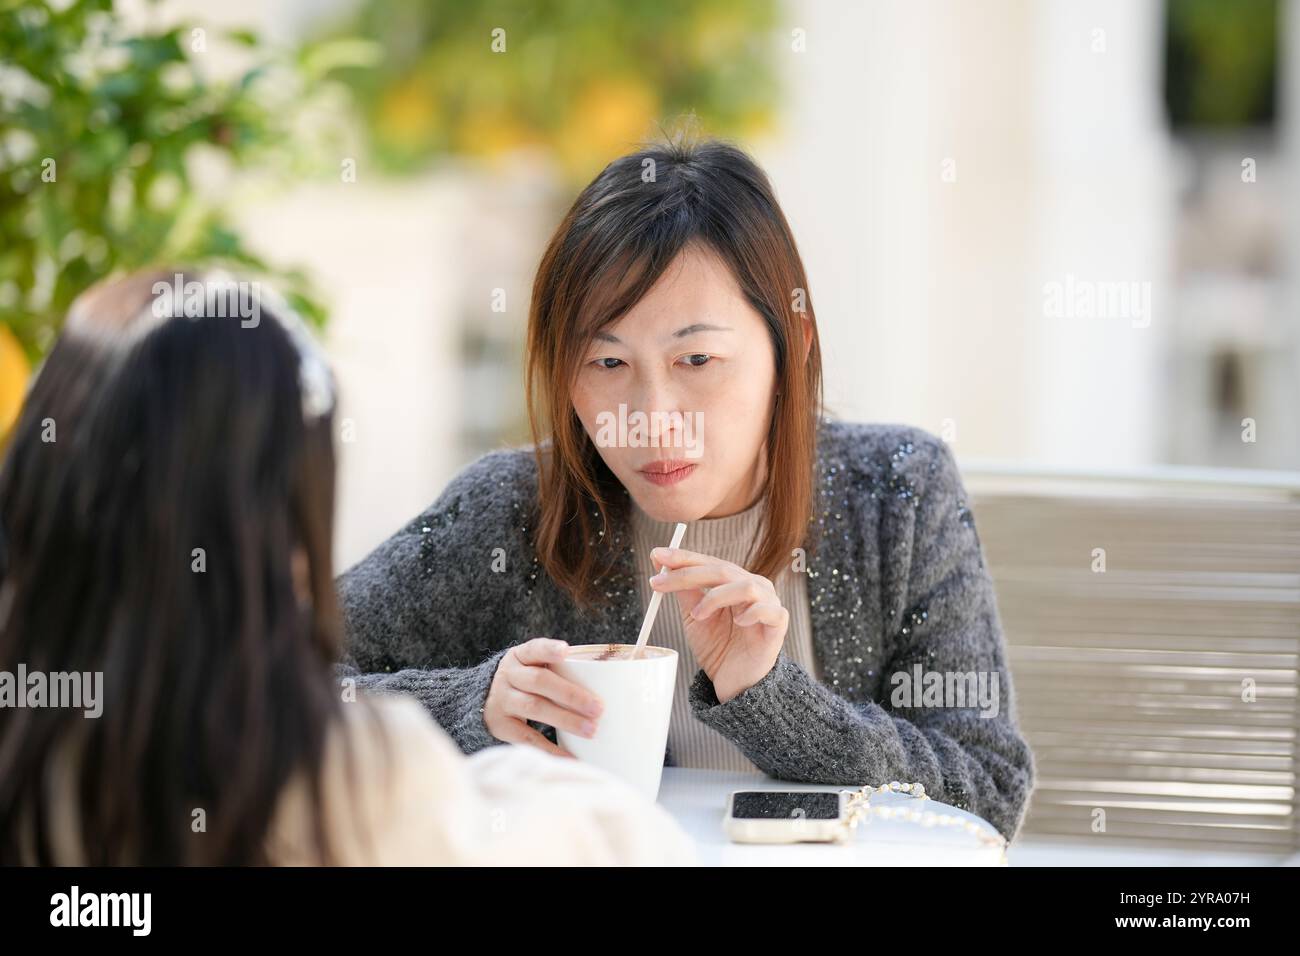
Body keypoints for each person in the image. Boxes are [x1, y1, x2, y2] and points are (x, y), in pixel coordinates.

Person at [338, 137, 1037, 843]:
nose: (649, 418)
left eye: (696, 358)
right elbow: (271, 678)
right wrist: (471, 704)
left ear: (792, 341)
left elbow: (986, 789)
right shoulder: (513, 508)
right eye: (606, 361)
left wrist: (770, 697)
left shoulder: (898, 495)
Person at [0, 270, 695, 866]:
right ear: (286, 531)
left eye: (694, 358)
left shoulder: (37, 747)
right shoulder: (353, 780)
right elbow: (620, 841)